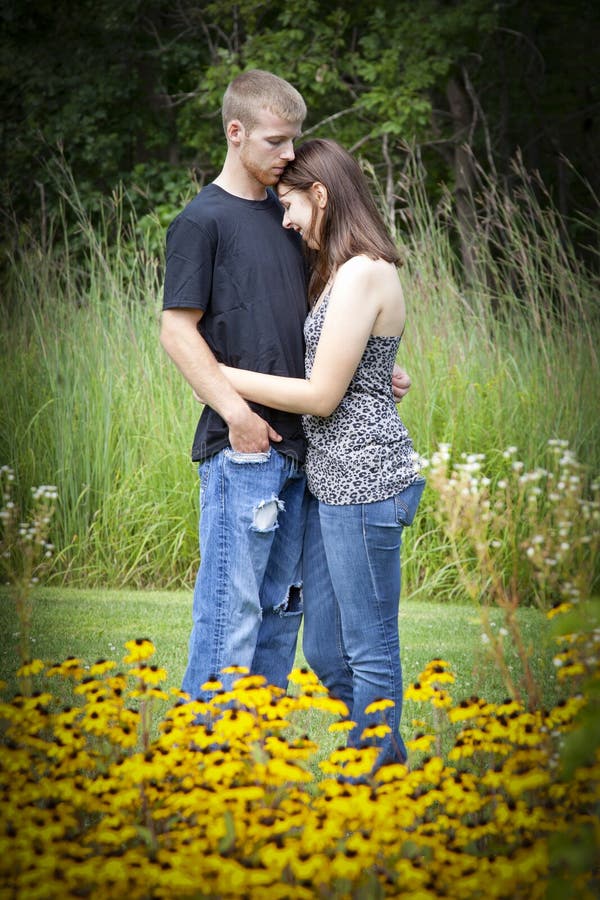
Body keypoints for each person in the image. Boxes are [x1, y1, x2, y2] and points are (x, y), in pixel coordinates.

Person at [160, 69, 411, 708]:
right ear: (236, 133)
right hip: (243, 446)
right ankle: (200, 762)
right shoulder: (201, 221)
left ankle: (255, 761)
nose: (289, 155)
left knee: (280, 616)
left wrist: (375, 370)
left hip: (310, 452)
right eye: (276, 142)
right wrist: (233, 410)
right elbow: (176, 333)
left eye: (294, 141)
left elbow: (329, 318)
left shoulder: (290, 213)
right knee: (230, 609)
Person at [218, 137, 425, 769]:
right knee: (330, 654)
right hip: (336, 482)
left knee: (367, 647)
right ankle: (380, 759)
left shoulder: (364, 270)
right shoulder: (341, 271)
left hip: (367, 482)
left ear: (322, 194)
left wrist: (219, 375)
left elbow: (323, 395)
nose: (285, 219)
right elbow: (355, 366)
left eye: (290, 204)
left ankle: (379, 778)